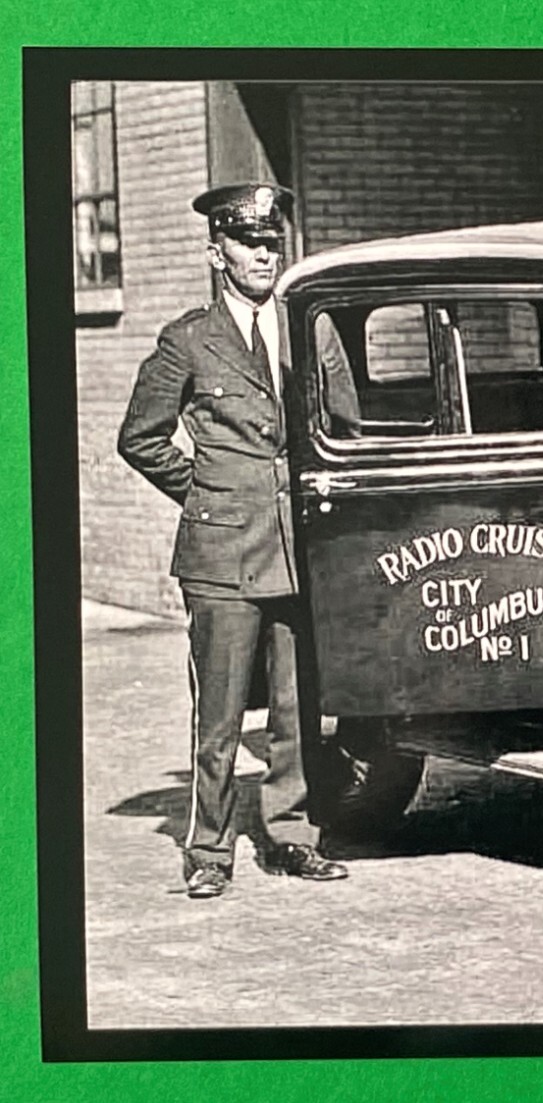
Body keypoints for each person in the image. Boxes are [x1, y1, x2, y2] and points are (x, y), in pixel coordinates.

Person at [118, 182, 348, 899]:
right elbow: (141, 436)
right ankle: (209, 850)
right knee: (219, 714)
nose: (263, 254)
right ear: (217, 252)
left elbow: (341, 423)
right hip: (221, 555)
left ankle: (292, 836)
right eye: (249, 243)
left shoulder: (311, 328)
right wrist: (206, 495)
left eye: (272, 241)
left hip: (295, 548)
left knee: (295, 708)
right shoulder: (189, 339)